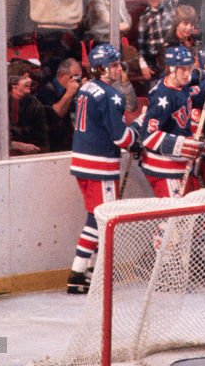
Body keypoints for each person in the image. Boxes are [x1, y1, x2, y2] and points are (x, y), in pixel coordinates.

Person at [67, 43, 139, 294]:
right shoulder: (112, 95)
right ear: (100, 68)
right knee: (105, 221)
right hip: (101, 165)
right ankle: (96, 275)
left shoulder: (86, 88)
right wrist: (138, 130)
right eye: (113, 65)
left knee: (93, 218)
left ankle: (81, 272)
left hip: (81, 162)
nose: (119, 69)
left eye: (118, 63)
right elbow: (122, 139)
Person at [138, 45, 203, 197]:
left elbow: (199, 76)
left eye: (189, 68)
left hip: (180, 166)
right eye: (183, 69)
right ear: (172, 69)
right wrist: (182, 145)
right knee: (175, 218)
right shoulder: (163, 96)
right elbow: (148, 136)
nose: (188, 74)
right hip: (165, 169)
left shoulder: (182, 83)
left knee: (194, 216)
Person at [37, 58, 82, 152]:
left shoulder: (76, 90)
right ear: (61, 75)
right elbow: (56, 114)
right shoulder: (45, 91)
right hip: (54, 144)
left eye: (79, 78)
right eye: (74, 77)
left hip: (72, 141)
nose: (77, 82)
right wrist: (69, 94)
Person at [8, 68, 50, 155]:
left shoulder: (35, 105)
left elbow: (43, 141)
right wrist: (14, 145)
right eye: (25, 78)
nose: (30, 80)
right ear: (13, 84)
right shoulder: (0, 103)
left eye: (29, 77)